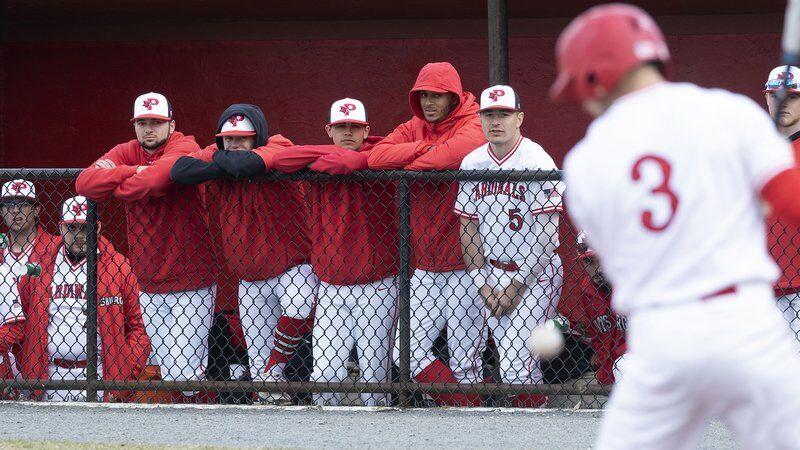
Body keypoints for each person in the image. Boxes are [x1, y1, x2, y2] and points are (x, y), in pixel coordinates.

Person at [553, 4, 800, 447]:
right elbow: (792, 202)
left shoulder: (586, 161)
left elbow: (625, 253)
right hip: (746, 325)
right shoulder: (730, 113)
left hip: (661, 340)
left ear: (595, 76)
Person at [75, 92, 217, 402]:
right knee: (170, 369)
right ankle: (188, 424)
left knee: (184, 372)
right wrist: (131, 171)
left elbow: (154, 182)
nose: (148, 129)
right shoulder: (127, 151)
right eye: (142, 123)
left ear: (171, 124)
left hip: (191, 279)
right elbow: (85, 183)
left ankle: (207, 419)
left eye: (156, 122)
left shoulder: (184, 145)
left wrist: (117, 184)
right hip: (148, 280)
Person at [170, 104, 316, 404]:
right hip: (249, 277)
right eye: (228, 138)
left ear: (257, 137)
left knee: (299, 303)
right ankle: (270, 405)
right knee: (261, 371)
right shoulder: (218, 151)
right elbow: (179, 169)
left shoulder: (278, 145)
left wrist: (218, 160)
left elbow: (245, 166)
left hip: (292, 267)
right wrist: (222, 158)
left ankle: (274, 369)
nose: (235, 144)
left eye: (243, 138)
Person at [367, 62, 487, 406]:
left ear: (453, 97)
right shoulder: (414, 126)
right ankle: (463, 411)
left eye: (437, 95)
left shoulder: (474, 121)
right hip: (426, 263)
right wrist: (421, 149)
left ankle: (474, 430)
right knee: (406, 350)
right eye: (423, 95)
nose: (429, 102)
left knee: (467, 363)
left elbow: (444, 158)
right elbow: (376, 158)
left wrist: (416, 157)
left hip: (467, 263)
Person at [272, 98, 398, 406]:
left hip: (377, 284)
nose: (348, 133)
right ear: (329, 130)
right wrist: (331, 154)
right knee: (325, 373)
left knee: (373, 379)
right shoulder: (319, 159)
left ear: (366, 130)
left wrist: (351, 158)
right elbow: (280, 160)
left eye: (354, 128)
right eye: (341, 127)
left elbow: (382, 154)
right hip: (331, 286)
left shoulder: (379, 157)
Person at [456, 85, 562, 407]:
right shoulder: (472, 163)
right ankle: (537, 420)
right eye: (489, 114)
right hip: (491, 274)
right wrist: (482, 283)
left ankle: (530, 432)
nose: (496, 121)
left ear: (519, 118)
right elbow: (468, 225)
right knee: (515, 366)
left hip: (536, 275)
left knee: (517, 366)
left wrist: (516, 286)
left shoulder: (536, 160)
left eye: (503, 114)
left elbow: (546, 234)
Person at [17, 195, 150, 402]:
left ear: (96, 228)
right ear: (61, 228)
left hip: (99, 374)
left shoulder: (119, 265)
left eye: (84, 227)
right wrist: (26, 363)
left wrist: (125, 375)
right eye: (72, 228)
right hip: (48, 374)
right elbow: (19, 314)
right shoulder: (38, 264)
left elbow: (139, 327)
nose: (79, 235)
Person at [0, 180, 58, 396]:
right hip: (4, 351)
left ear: (36, 210)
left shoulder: (56, 247)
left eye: (23, 203)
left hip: (41, 350)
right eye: (8, 204)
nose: (15, 210)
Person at [764, 65, 800, 344]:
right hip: (760, 289)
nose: (782, 102)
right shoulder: (756, 149)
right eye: (775, 95)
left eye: (792, 96)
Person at [564, 232, 626, 386]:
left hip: (640, 358)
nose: (597, 269)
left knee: (624, 365)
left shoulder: (631, 282)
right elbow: (597, 333)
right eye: (589, 261)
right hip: (613, 361)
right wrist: (601, 354)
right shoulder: (587, 289)